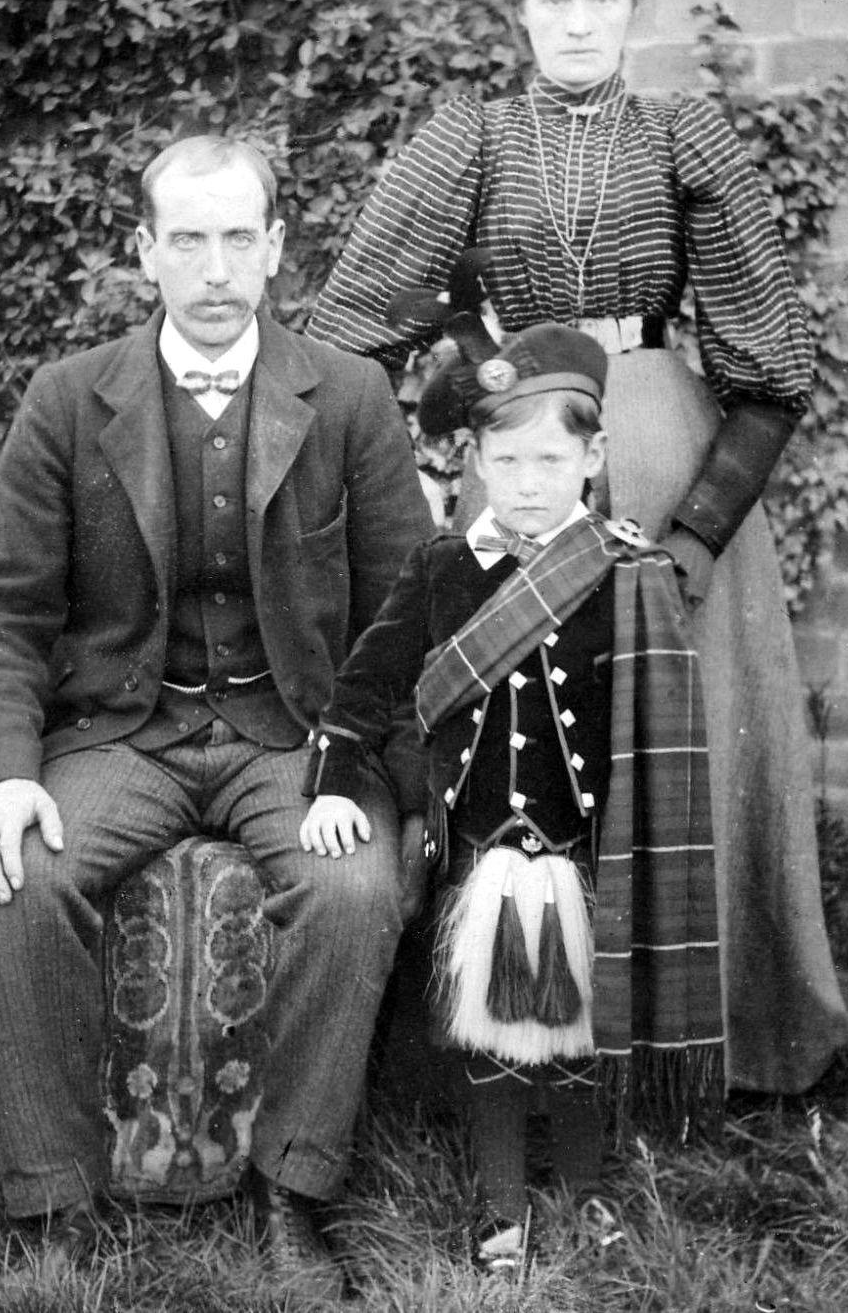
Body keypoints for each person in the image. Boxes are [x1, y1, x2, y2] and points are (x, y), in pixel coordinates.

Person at [307, 0, 848, 1095]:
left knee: (685, 743)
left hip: (660, 449)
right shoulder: (471, 137)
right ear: (518, 11)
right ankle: (501, 1049)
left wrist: (703, 531)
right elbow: (350, 328)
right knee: (506, 740)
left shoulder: (684, 135)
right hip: (520, 449)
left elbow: (772, 370)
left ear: (631, 7)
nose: (579, 20)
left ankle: (707, 1046)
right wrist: (456, 383)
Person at [0, 135, 434, 1291]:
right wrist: (6, 772)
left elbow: (405, 610)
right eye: (186, 240)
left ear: (274, 250)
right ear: (145, 253)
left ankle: (295, 1188)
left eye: (236, 239)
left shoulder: (350, 397)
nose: (213, 268)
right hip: (123, 730)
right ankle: (52, 1203)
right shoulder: (71, 400)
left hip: (296, 734)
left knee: (351, 887)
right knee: (23, 873)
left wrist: (383, 786)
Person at [300, 323, 723, 1269]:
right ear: (474, 461)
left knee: (576, 1034)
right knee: (489, 1037)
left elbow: (653, 730)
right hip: (478, 850)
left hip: (583, 851)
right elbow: (363, 691)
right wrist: (333, 781)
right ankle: (502, 1212)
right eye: (505, 460)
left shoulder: (626, 575)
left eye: (550, 459)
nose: (527, 483)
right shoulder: (441, 570)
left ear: (593, 455)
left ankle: (578, 1197)